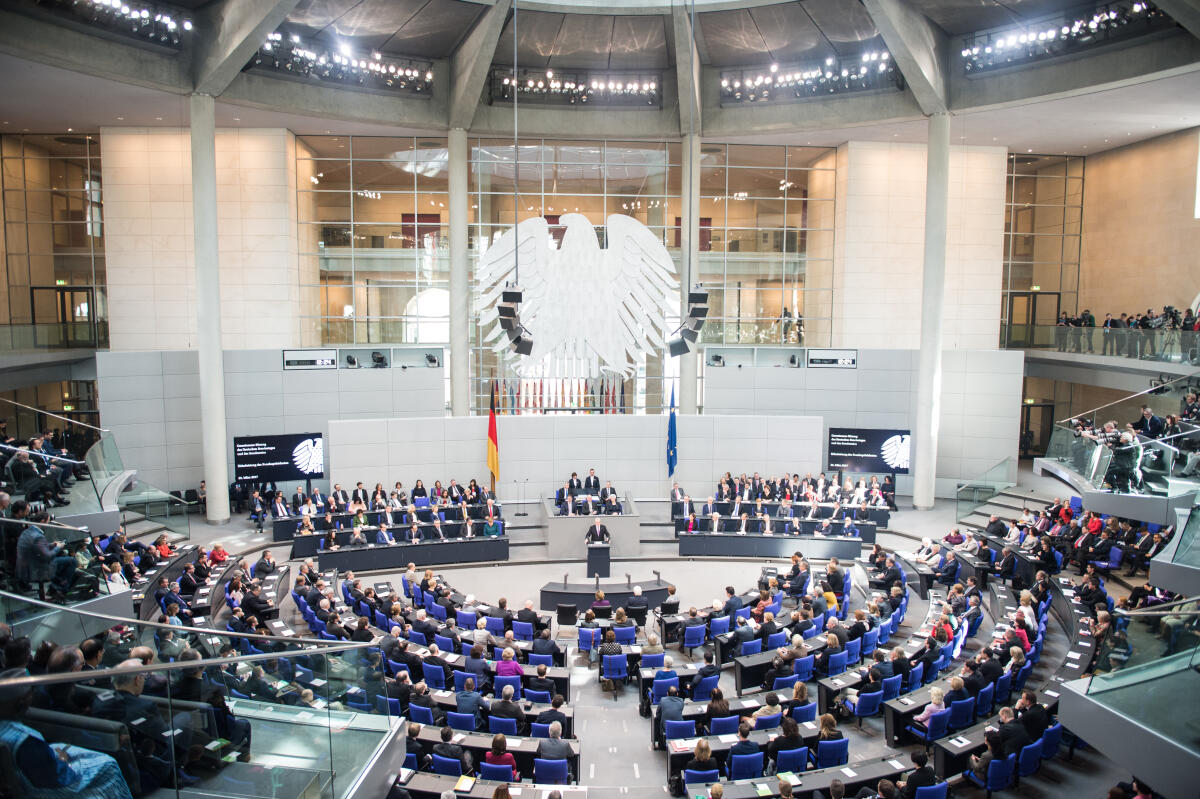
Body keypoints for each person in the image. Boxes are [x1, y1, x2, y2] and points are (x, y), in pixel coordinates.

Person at [0, 667, 133, 798]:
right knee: (109, 764)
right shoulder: (26, 739)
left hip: (33, 769)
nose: (33, 696)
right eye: (30, 693)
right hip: (45, 787)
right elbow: (60, 780)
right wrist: (63, 761)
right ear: (21, 702)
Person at [16, 521, 79, 599]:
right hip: (37, 566)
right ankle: (61, 588)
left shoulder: (28, 532)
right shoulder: (38, 536)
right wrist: (58, 548)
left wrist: (52, 545)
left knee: (63, 562)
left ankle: (57, 586)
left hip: (30, 562)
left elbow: (37, 547)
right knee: (72, 561)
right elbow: (48, 556)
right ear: (43, 521)